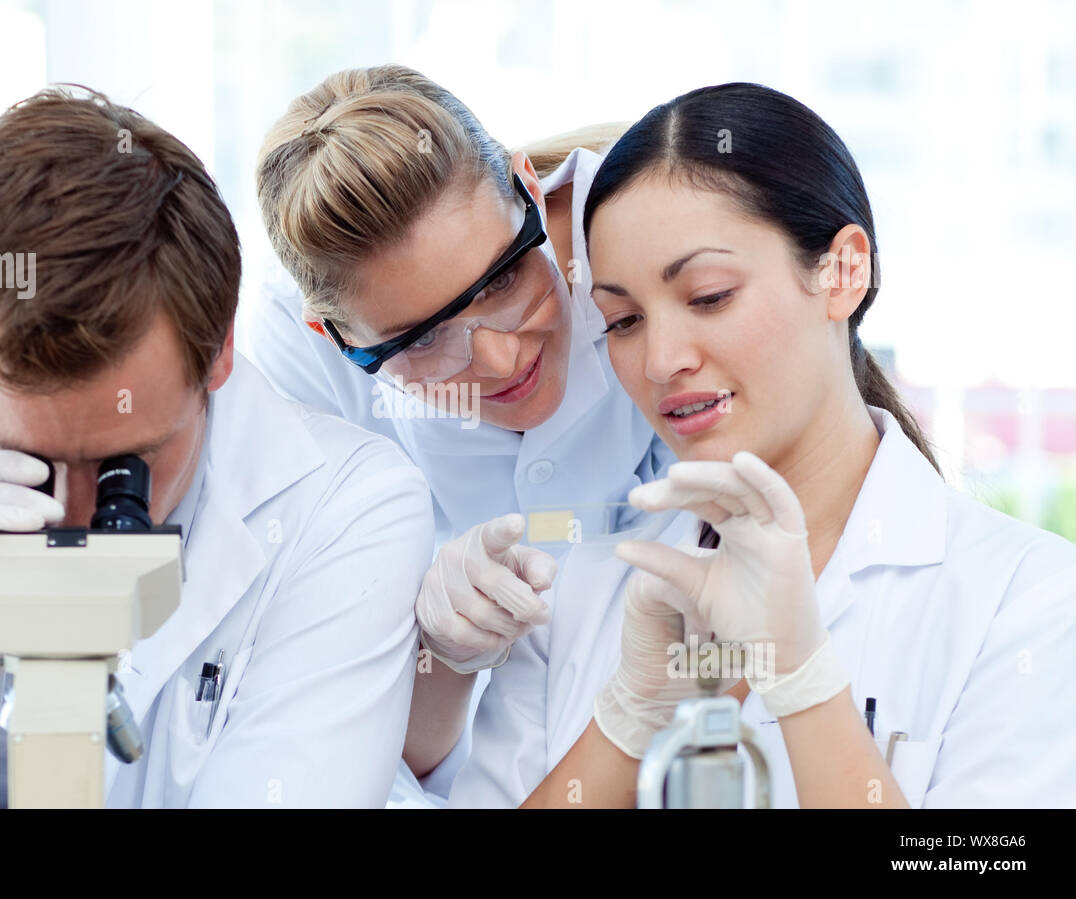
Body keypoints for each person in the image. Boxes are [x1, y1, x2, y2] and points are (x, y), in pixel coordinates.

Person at [0, 86, 435, 808]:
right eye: (26, 461)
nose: (72, 515)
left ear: (218, 354)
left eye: (126, 463)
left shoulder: (346, 510)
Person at [449, 82, 1076, 808]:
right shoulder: (584, 590)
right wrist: (626, 721)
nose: (661, 360)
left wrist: (805, 679)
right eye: (622, 321)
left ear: (843, 272)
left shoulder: (1030, 602)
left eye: (709, 295)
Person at [246, 65, 678, 803]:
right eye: (421, 339)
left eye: (504, 280)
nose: (501, 356)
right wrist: (442, 652)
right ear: (334, 338)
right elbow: (360, 742)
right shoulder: (299, 364)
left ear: (528, 188)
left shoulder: (656, 240)